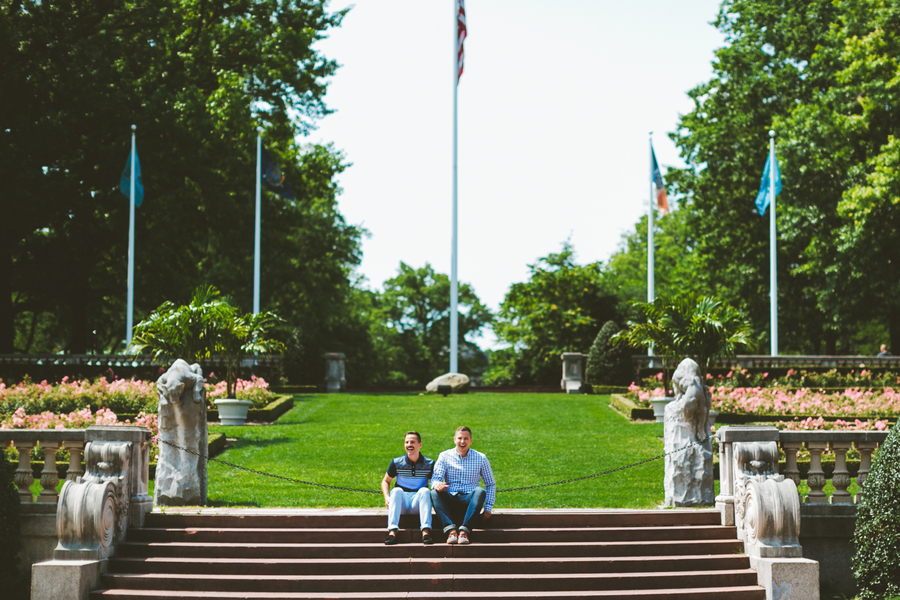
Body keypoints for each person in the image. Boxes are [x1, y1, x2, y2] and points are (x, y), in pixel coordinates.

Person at [430, 426, 496, 545]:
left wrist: (488, 507)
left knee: (479, 491)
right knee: (434, 492)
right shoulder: (444, 456)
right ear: (454, 439)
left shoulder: (481, 458)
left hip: (469, 500)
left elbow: (490, 483)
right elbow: (435, 479)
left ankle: (464, 532)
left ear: (470, 440)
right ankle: (451, 530)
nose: (462, 442)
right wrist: (437, 484)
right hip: (450, 497)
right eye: (459, 438)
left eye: (466, 439)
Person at [381, 431, 435, 545]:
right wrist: (386, 497)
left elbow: (435, 482)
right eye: (407, 442)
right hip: (402, 503)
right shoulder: (397, 462)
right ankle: (392, 531)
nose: (409, 444)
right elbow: (386, 481)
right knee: (396, 491)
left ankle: (425, 532)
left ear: (420, 445)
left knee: (425, 491)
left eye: (412, 442)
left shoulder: (429, 463)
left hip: (418, 503)